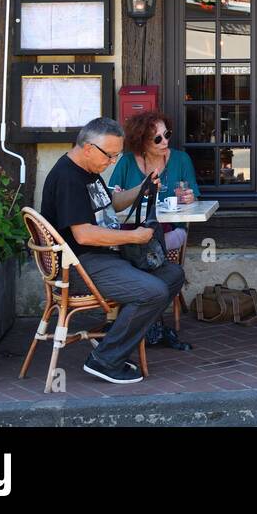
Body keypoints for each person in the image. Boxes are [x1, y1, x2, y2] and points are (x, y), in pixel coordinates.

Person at [40, 117, 186, 384]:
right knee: (153, 291)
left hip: (101, 258)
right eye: (110, 156)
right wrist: (133, 236)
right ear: (88, 148)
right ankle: (106, 359)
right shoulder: (68, 178)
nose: (112, 162)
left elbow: (110, 203)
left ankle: (116, 333)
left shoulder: (88, 170)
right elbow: (83, 234)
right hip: (80, 266)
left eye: (117, 155)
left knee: (173, 274)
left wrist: (140, 190)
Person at [107, 110, 198, 350]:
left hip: (169, 229)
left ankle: (140, 318)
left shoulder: (181, 159)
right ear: (142, 141)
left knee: (146, 250)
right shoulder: (127, 162)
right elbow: (111, 196)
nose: (165, 141)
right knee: (143, 249)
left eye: (166, 135)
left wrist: (189, 197)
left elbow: (194, 194)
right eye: (157, 138)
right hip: (131, 232)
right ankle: (148, 321)